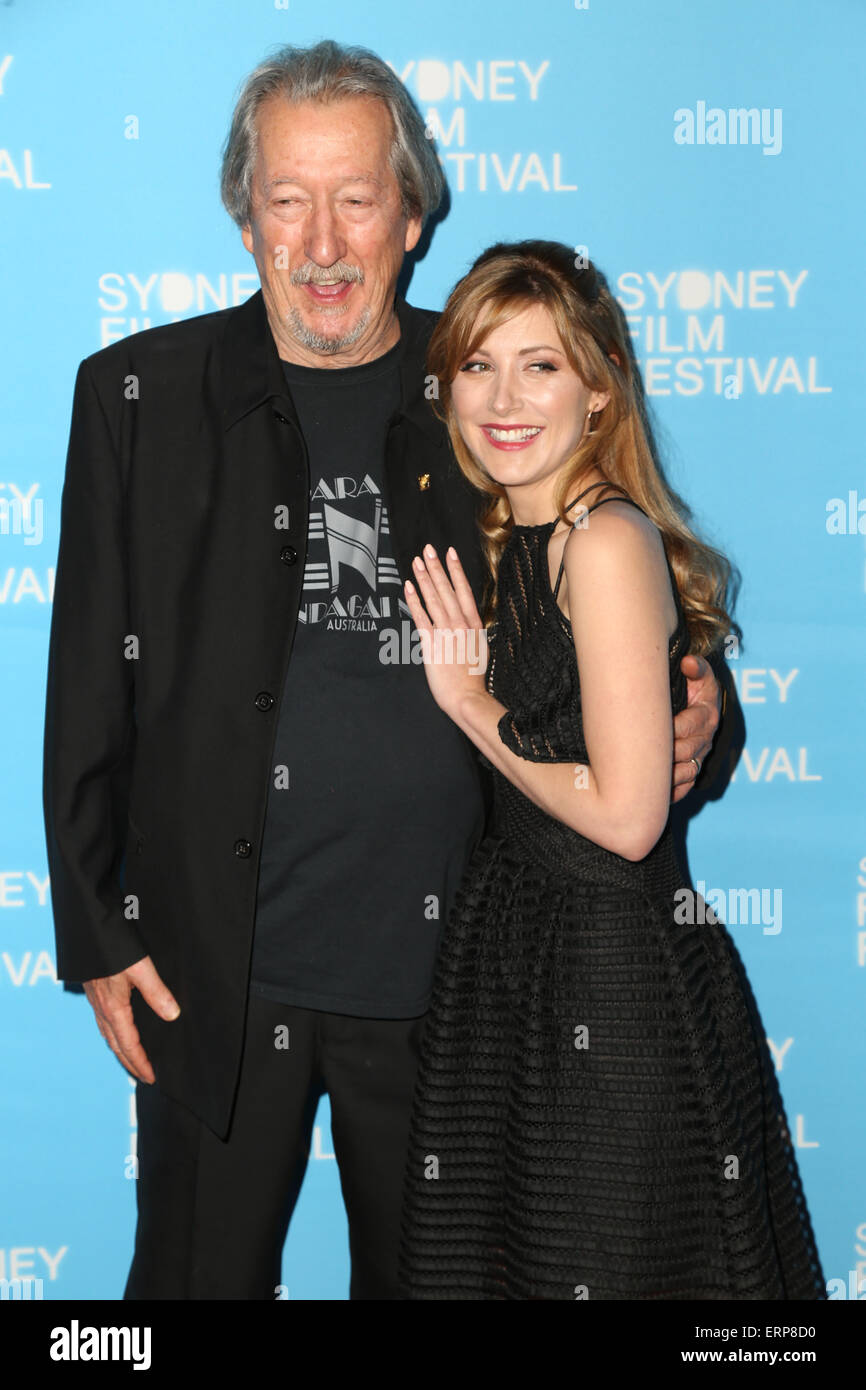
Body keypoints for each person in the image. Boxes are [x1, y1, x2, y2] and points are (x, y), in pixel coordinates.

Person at [42, 43, 725, 1301]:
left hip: (457, 985)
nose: (320, 242)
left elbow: (615, 594)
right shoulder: (135, 396)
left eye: (355, 198)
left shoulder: (483, 385)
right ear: (244, 212)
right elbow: (87, 682)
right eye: (287, 198)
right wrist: (98, 930)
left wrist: (702, 710)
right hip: (212, 978)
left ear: (410, 216)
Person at [399, 240, 825, 1301]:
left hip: (610, 982)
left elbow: (630, 816)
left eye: (539, 366)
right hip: (514, 975)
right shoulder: (514, 537)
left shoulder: (600, 541)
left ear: (597, 392)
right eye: (478, 364)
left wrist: (469, 703)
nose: (502, 397)